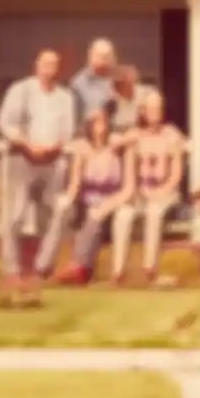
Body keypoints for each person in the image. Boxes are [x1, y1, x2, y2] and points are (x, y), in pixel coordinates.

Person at [0, 49, 76, 288]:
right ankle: (11, 270)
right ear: (37, 66)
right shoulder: (21, 91)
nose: (50, 69)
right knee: (15, 214)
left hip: (52, 161)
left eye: (55, 65)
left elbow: (67, 132)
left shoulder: (65, 97)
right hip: (21, 159)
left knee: (56, 211)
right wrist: (29, 145)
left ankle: (43, 267)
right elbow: (5, 123)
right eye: (46, 64)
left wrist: (52, 148)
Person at [51, 107, 137, 285]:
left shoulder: (120, 148)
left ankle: (79, 266)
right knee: (85, 216)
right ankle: (74, 268)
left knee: (94, 215)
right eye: (95, 122)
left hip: (114, 202)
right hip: (88, 204)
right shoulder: (83, 148)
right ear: (88, 126)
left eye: (103, 121)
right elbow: (75, 184)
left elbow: (129, 189)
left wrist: (107, 205)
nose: (100, 126)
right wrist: (68, 199)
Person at [115, 90, 186, 282]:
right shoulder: (134, 136)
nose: (155, 112)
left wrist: (160, 192)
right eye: (151, 108)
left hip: (166, 193)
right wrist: (136, 193)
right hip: (140, 192)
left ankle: (150, 269)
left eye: (159, 108)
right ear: (143, 111)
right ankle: (118, 271)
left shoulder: (172, 135)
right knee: (123, 215)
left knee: (153, 212)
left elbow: (176, 174)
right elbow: (130, 174)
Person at [68, 38, 116, 125]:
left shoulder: (118, 79)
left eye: (107, 56)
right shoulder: (78, 84)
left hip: (119, 134)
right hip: (90, 133)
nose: (104, 61)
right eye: (101, 56)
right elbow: (74, 118)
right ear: (90, 56)